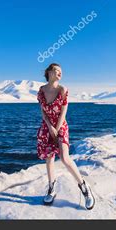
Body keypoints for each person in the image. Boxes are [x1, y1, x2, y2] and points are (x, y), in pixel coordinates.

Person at [36, 63, 95, 210]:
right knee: (49, 158)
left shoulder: (63, 90)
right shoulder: (41, 90)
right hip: (47, 126)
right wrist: (49, 127)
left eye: (61, 71)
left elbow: (63, 113)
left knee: (64, 157)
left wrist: (56, 129)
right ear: (49, 72)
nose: (60, 73)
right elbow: (43, 111)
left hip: (61, 125)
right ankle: (52, 187)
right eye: (56, 70)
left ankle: (84, 187)